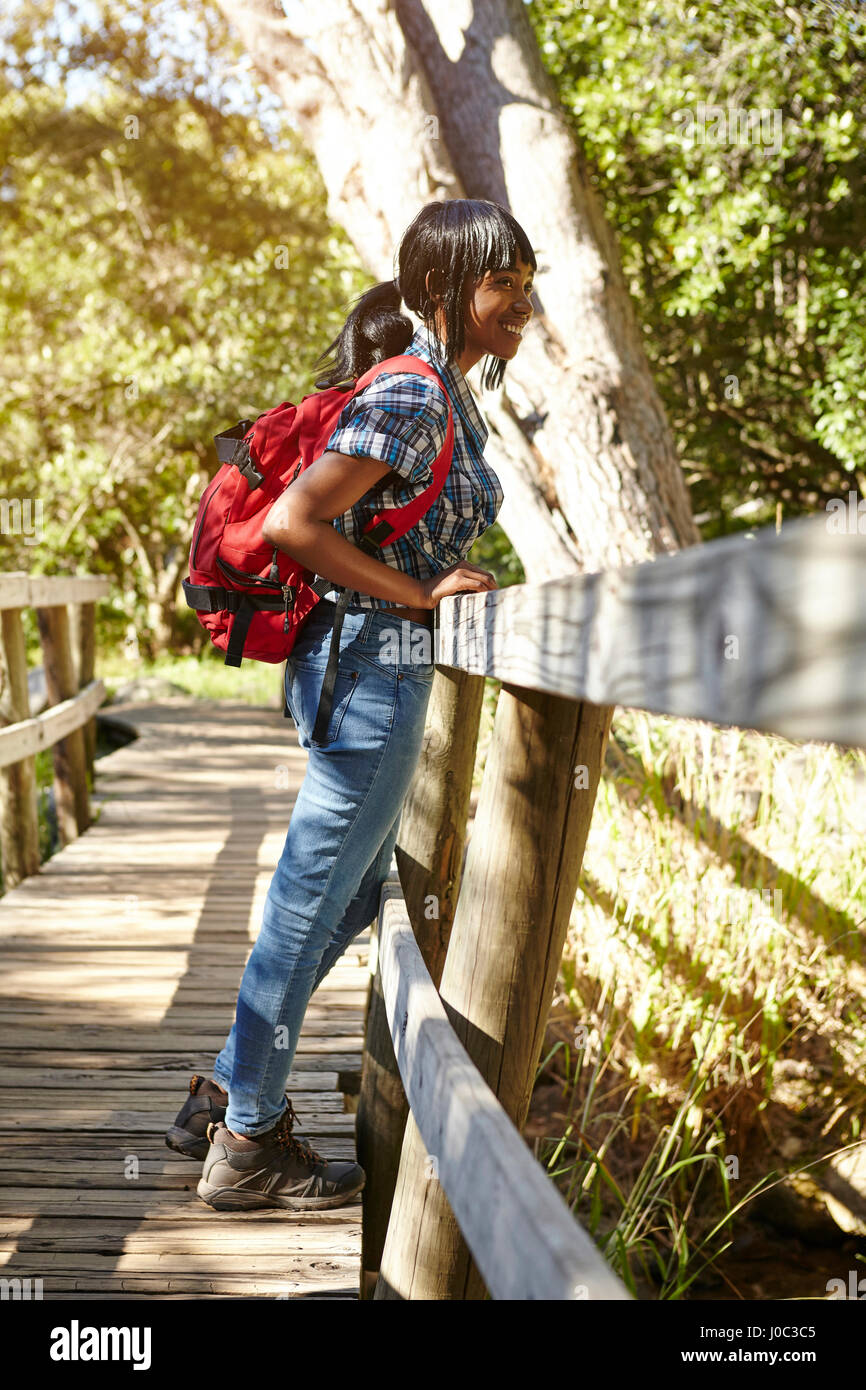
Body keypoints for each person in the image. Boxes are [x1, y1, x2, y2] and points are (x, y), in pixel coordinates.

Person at [166, 198, 536, 1211]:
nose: (525, 303)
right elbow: (296, 521)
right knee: (307, 897)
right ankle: (247, 1141)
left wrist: (428, 570)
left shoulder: (438, 393)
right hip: (369, 669)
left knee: (341, 894)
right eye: (505, 283)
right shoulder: (415, 391)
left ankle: (229, 1086)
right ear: (444, 287)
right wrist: (419, 594)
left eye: (525, 282)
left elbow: (380, 524)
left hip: (367, 667)